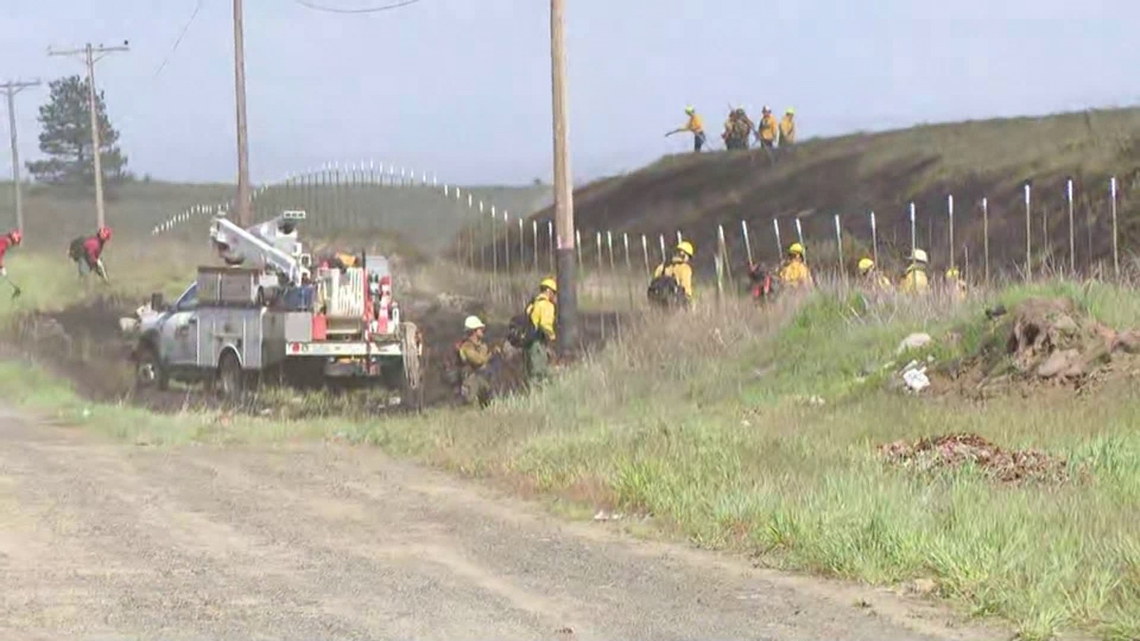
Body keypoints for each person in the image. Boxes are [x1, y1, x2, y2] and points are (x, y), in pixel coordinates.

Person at [456, 315, 494, 407]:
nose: (482, 330)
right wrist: (490, 354)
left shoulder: (478, 345)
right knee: (471, 407)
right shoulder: (467, 346)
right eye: (480, 329)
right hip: (470, 382)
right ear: (473, 331)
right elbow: (479, 361)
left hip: (480, 381)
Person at [525, 277, 557, 384]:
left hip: (530, 344)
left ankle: (533, 396)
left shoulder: (534, 304)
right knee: (540, 373)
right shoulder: (547, 305)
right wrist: (552, 338)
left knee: (532, 372)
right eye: (554, 292)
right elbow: (545, 325)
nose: (554, 296)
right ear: (548, 291)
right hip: (538, 343)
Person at [649, 241, 695, 308]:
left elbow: (654, 280)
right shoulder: (686, 268)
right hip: (676, 303)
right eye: (689, 257)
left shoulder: (662, 266)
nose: (689, 259)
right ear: (684, 255)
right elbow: (686, 289)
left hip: (658, 302)